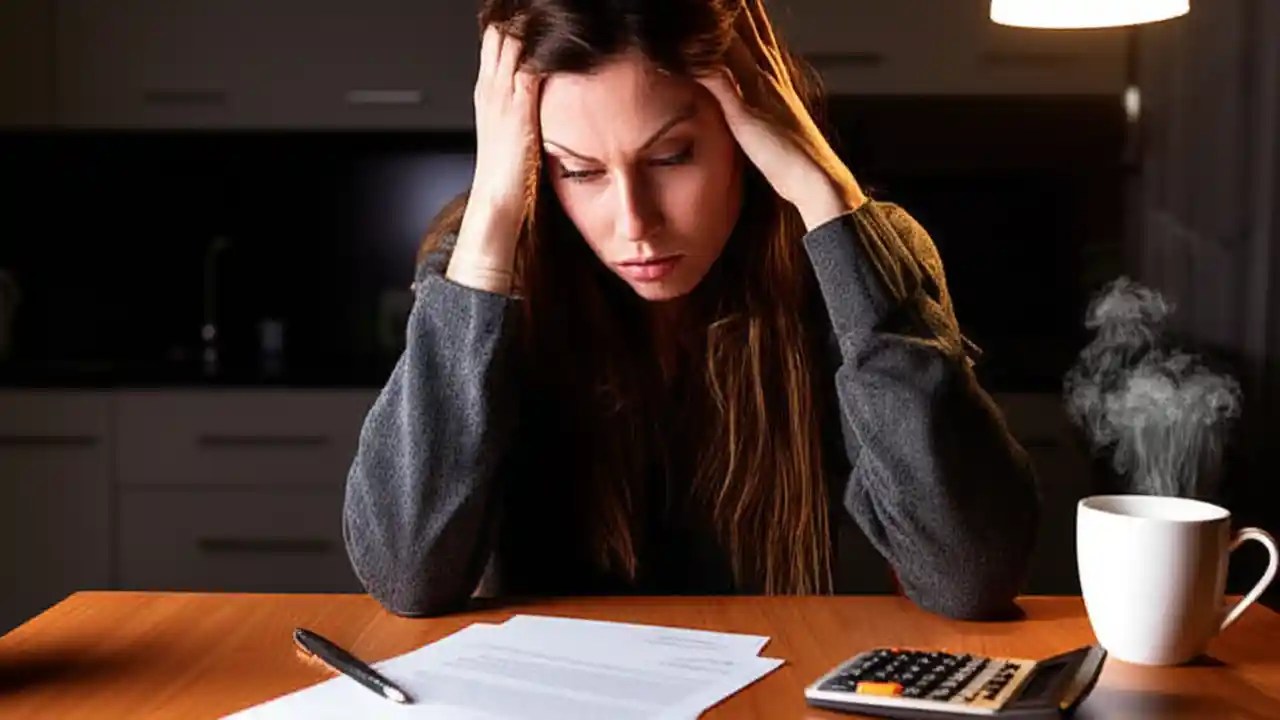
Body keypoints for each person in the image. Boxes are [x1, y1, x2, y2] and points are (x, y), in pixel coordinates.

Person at [343, 0, 1040, 621]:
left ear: (750, 126)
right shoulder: (482, 263)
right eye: (579, 170)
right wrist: (494, 211)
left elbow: (967, 576)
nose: (634, 223)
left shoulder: (860, 259)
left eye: (671, 157)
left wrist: (825, 194)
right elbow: (407, 576)